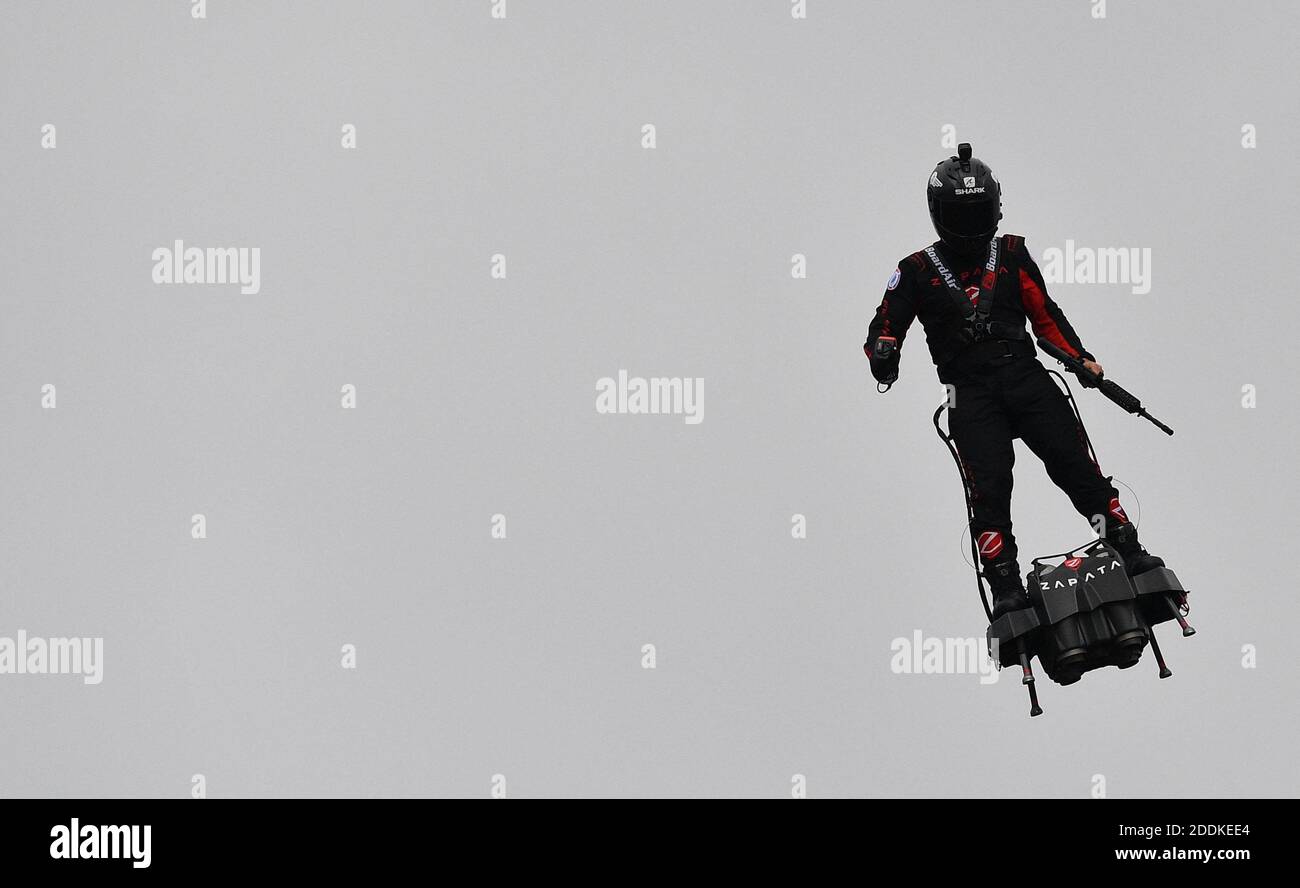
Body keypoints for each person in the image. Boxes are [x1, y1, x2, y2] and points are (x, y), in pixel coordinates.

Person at [864, 143, 1162, 620]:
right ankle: (1005, 586)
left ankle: (1128, 547)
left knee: (1075, 465)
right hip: (969, 392)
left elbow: (1045, 314)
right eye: (962, 215)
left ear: (995, 209)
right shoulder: (915, 271)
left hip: (1025, 376)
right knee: (989, 490)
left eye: (979, 213)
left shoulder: (1012, 252)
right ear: (940, 214)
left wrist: (1079, 359)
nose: (970, 226)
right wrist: (884, 351)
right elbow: (885, 323)